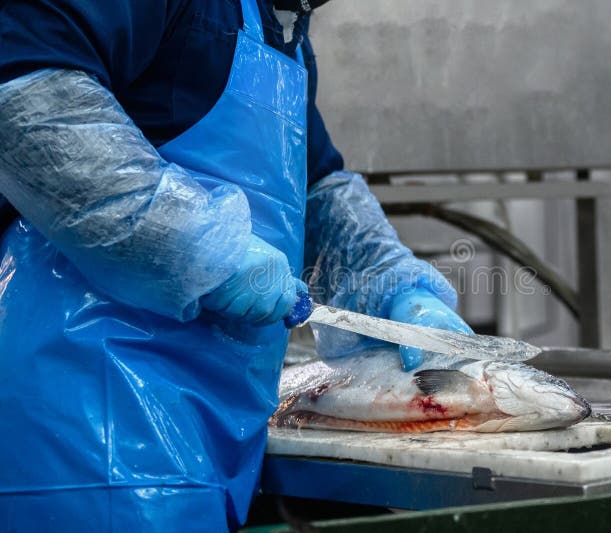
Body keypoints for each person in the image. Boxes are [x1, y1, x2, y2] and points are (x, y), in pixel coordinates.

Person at [0, 1, 472, 530]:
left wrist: (394, 286)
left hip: (219, 429)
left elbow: (315, 189)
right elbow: (28, 105)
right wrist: (205, 251)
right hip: (94, 420)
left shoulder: (281, 28)